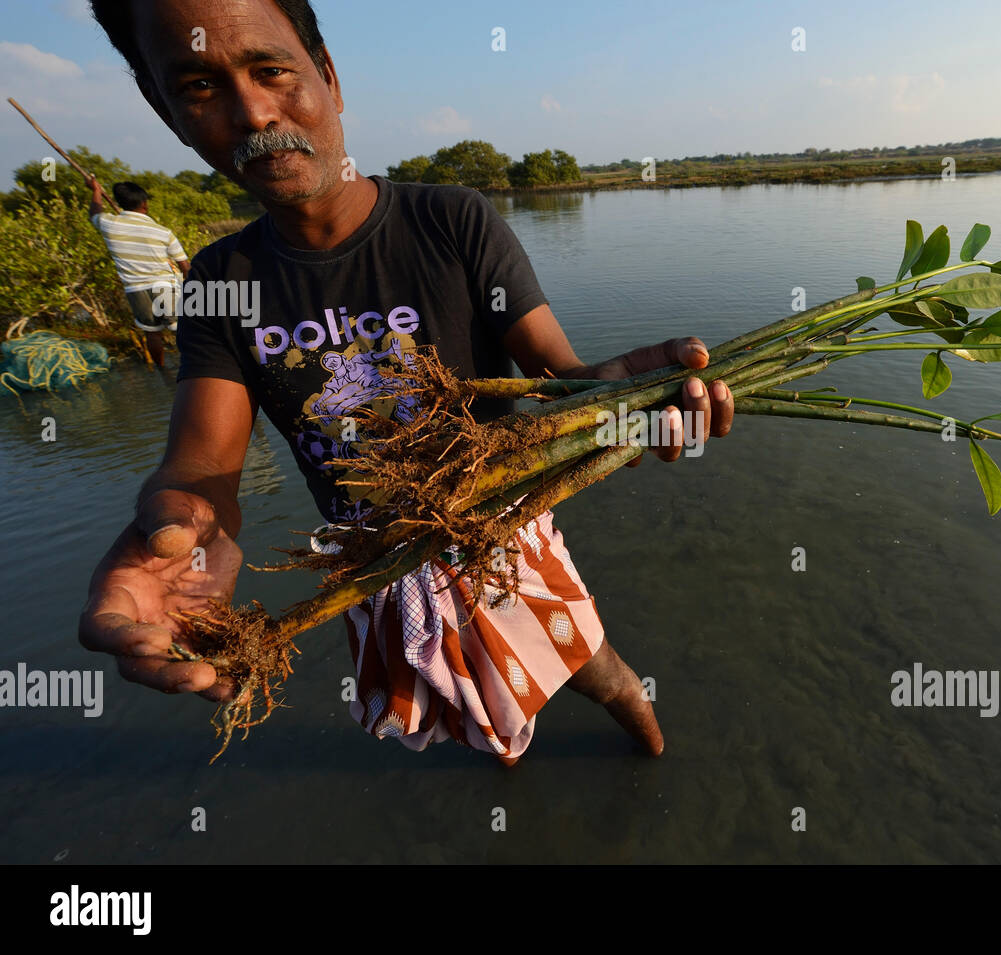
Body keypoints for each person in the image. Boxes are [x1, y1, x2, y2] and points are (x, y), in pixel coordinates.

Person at [78, 0, 734, 764]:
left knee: (597, 666)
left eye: (272, 70)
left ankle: (647, 746)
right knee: (476, 710)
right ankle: (515, 773)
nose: (253, 112)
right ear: (168, 115)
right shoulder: (224, 280)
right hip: (376, 563)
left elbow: (560, 379)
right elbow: (205, 465)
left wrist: (616, 392)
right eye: (198, 87)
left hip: (500, 533)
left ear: (328, 76)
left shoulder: (451, 222)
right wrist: (180, 527)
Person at [87, 177, 191, 369]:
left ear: (120, 203)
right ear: (144, 204)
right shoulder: (162, 232)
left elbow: (95, 212)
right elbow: (185, 267)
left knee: (152, 333)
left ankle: (161, 370)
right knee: (183, 330)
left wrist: (95, 190)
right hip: (165, 287)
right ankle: (193, 368)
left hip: (135, 290)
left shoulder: (109, 224)